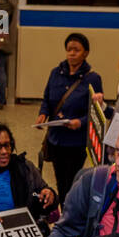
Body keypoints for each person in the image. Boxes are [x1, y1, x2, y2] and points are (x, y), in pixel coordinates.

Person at [36, 32, 103, 205]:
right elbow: (47, 99)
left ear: (85, 53)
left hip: (76, 141)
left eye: (76, 50)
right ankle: (64, 212)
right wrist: (43, 113)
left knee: (72, 181)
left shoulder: (92, 78)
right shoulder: (55, 73)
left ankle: (70, 212)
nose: (72, 53)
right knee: (60, 181)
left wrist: (79, 122)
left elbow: (95, 111)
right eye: (69, 49)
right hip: (56, 138)